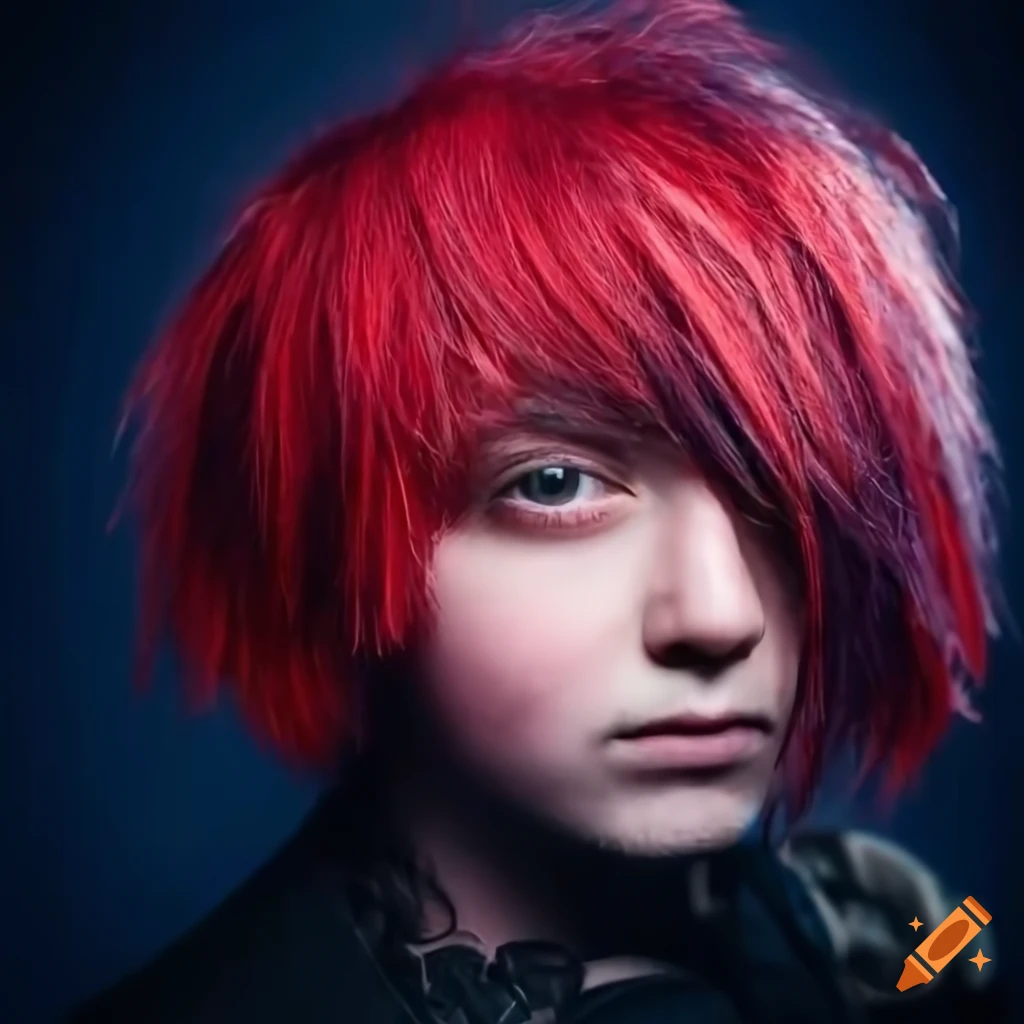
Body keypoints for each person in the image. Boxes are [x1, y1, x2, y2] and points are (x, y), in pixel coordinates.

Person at [74, 1, 1011, 1021]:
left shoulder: (887, 938)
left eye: (775, 487)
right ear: (338, 542)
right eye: (556, 483)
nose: (717, 614)